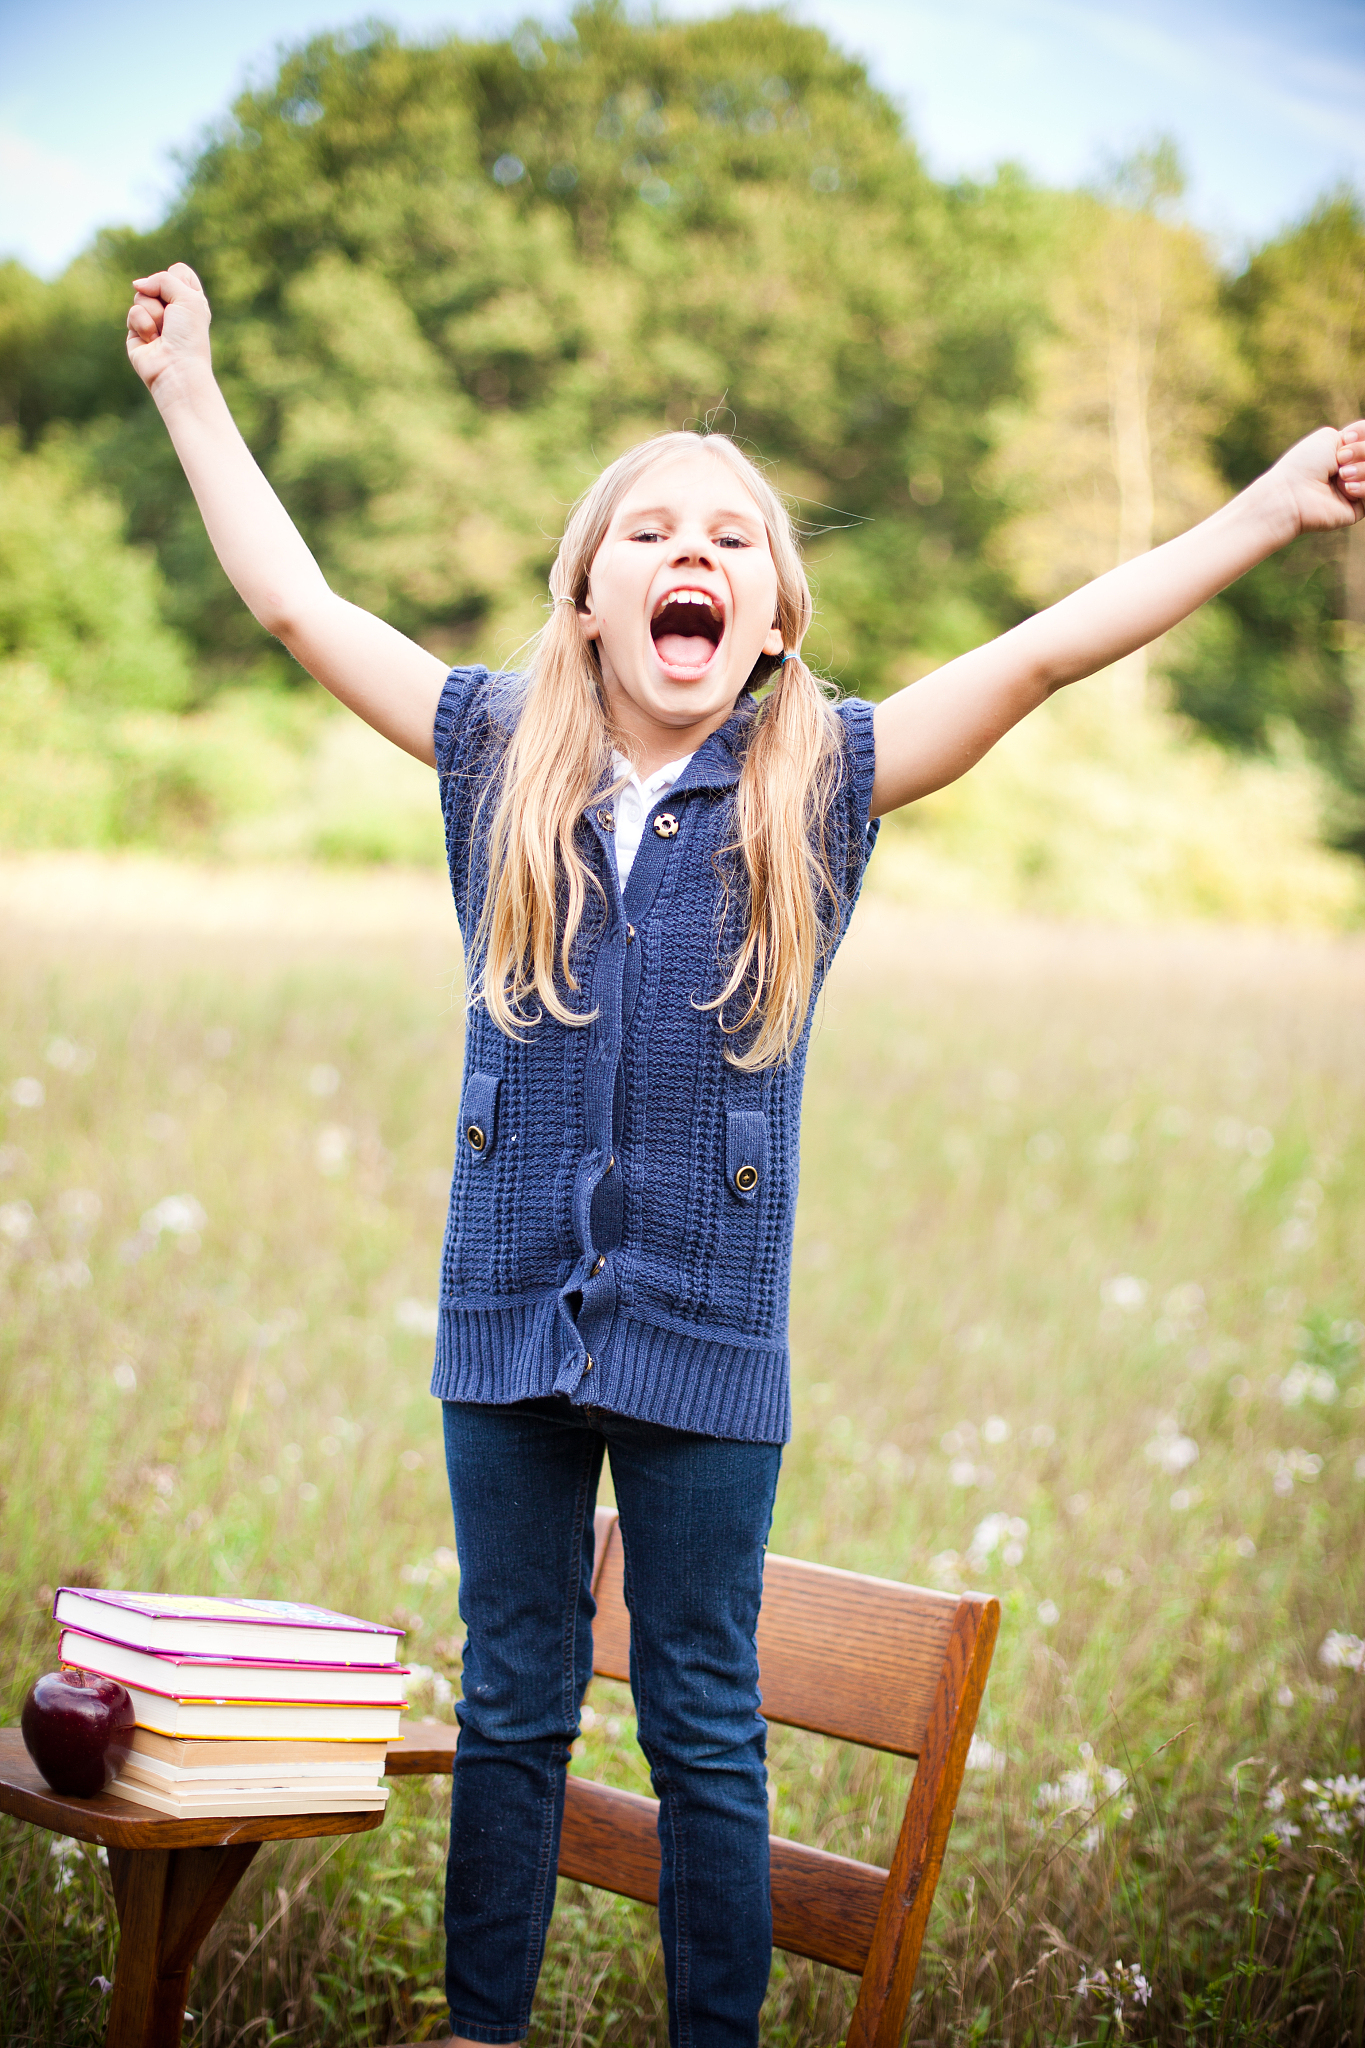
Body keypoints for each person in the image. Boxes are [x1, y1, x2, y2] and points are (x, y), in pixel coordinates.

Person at [126, 260, 1363, 2048]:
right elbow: (300, 605)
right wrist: (189, 390)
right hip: (505, 1319)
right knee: (514, 1700)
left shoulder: (822, 784)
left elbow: (1042, 650)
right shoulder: (493, 754)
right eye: (644, 531)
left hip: (706, 1338)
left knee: (701, 1713)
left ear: (773, 617)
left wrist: (1266, 506)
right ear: (586, 603)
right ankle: (482, 2027)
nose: (686, 551)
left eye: (728, 536)